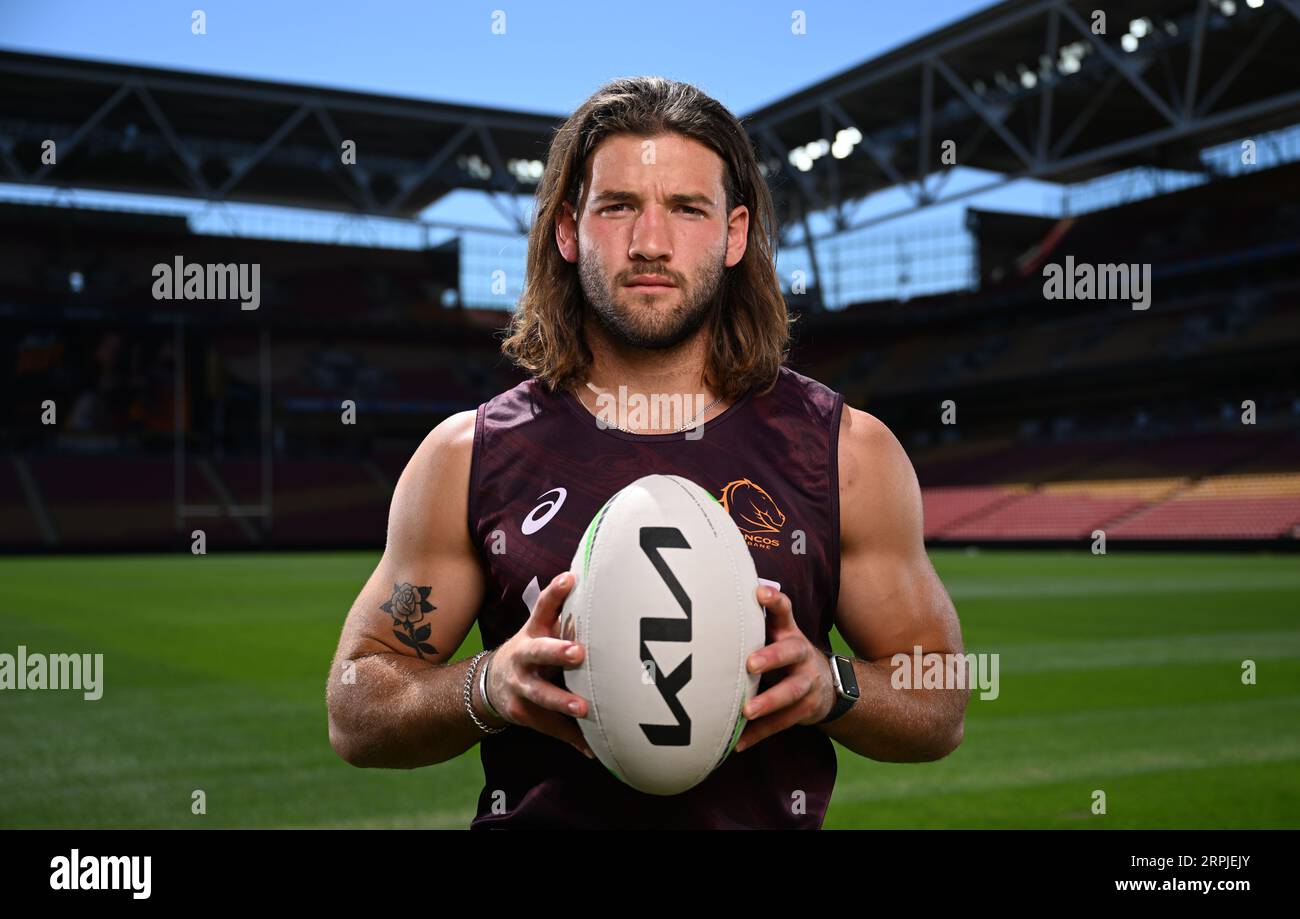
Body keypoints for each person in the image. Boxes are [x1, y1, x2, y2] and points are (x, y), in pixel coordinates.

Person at [327, 76, 967, 829]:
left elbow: (942, 700)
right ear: (569, 229)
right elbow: (355, 705)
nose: (650, 242)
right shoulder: (469, 454)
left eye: (686, 208)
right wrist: (487, 685)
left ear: (734, 234)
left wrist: (833, 686)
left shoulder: (844, 452)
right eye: (618, 205)